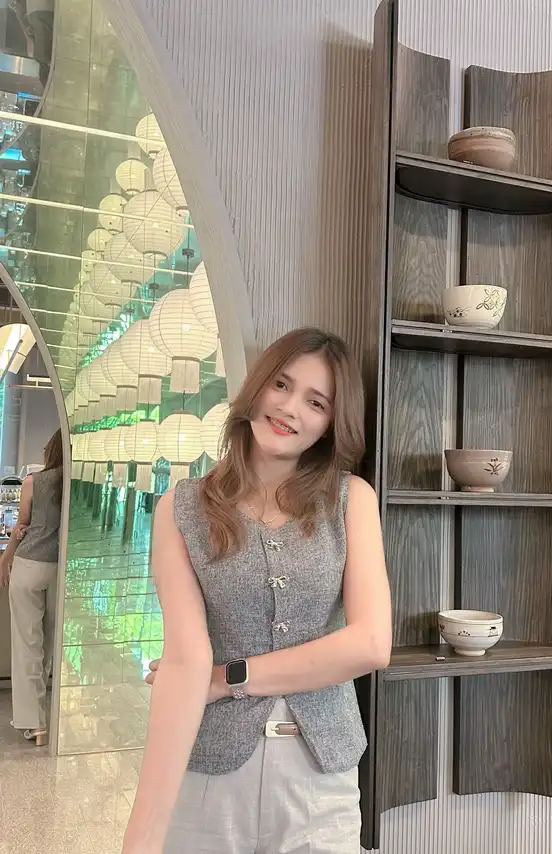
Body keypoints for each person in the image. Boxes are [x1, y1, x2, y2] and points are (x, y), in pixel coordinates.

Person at [122, 327, 392, 854]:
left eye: (316, 402)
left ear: (330, 424)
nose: (290, 409)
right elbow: (184, 662)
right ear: (257, 385)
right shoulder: (181, 509)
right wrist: (141, 838)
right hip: (209, 778)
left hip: (321, 785)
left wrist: (228, 679)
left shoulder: (351, 500)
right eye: (281, 385)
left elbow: (370, 644)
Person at [0, 428, 63, 747]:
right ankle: (45, 716)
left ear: (51, 449)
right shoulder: (77, 483)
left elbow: (22, 525)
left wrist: (5, 559)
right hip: (60, 568)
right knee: (48, 642)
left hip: (29, 564)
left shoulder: (34, 482)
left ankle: (34, 723)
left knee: (27, 644)